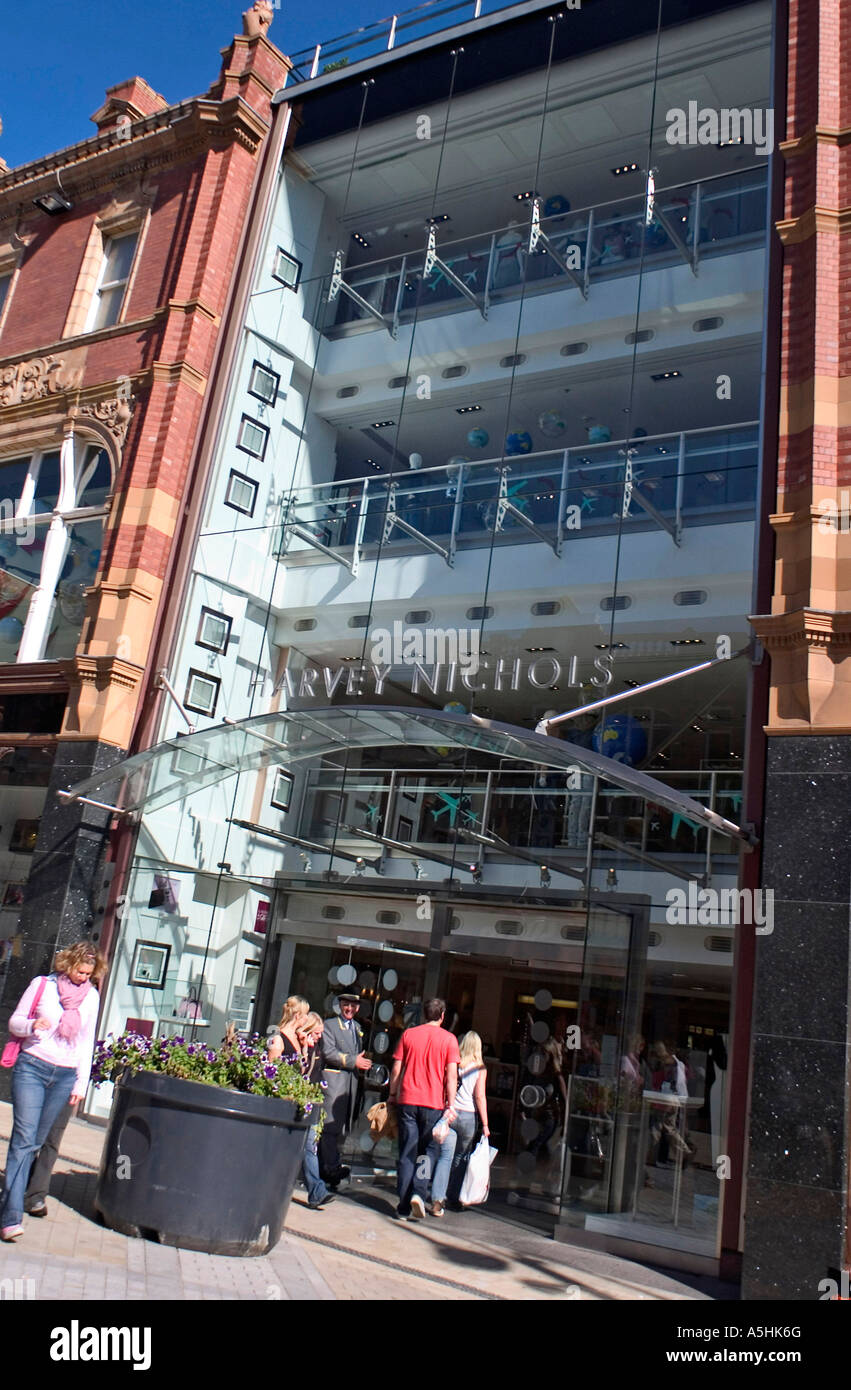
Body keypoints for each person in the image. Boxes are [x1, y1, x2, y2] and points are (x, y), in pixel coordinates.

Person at [1, 939, 106, 1240]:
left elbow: (87, 1042)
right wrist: (32, 1025)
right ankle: (10, 1218)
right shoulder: (42, 985)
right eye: (79, 971)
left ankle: (14, 1201)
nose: (82, 978)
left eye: (88, 974)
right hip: (33, 1067)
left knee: (35, 1143)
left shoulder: (92, 998)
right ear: (68, 964)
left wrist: (80, 1083)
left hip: (64, 1074)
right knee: (23, 1140)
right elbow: (14, 1021)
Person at [388, 997, 460, 1221]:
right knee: (428, 1152)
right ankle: (419, 1193)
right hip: (434, 1104)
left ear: (424, 1014)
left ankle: (402, 1205)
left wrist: (392, 1094)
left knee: (407, 1152)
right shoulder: (449, 1040)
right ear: (442, 1015)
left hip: (408, 1100)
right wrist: (451, 1103)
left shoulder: (409, 1034)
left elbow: (397, 1067)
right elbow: (451, 1075)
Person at [429, 1030, 489, 1216]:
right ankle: (453, 1197)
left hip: (451, 1113)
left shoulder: (454, 1063)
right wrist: (485, 1124)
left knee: (444, 1157)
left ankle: (438, 1200)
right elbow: (479, 1096)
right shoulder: (481, 1069)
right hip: (469, 1118)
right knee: (461, 1158)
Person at [319, 992, 371, 1190]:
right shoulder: (330, 1025)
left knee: (340, 1128)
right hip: (335, 1083)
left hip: (350, 1084)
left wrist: (363, 1062)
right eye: (346, 1004)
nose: (349, 1008)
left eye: (353, 1005)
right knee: (330, 1128)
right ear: (339, 1005)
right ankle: (330, 1168)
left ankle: (329, 1168)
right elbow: (329, 1053)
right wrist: (353, 1061)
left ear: (358, 1008)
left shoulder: (357, 1027)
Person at [297, 1012, 336, 1211]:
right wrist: (304, 1048)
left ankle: (317, 1191)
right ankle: (316, 1190)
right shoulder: (301, 1046)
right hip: (300, 1101)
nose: (320, 1036)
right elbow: (301, 1071)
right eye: (317, 1033)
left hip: (313, 1100)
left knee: (310, 1146)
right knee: (305, 1147)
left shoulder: (317, 1047)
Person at [266, 995, 309, 1062]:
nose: (307, 1018)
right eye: (306, 1014)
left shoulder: (298, 1037)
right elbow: (272, 1067)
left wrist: (304, 1047)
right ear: (297, 1015)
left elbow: (302, 1069)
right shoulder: (278, 1039)